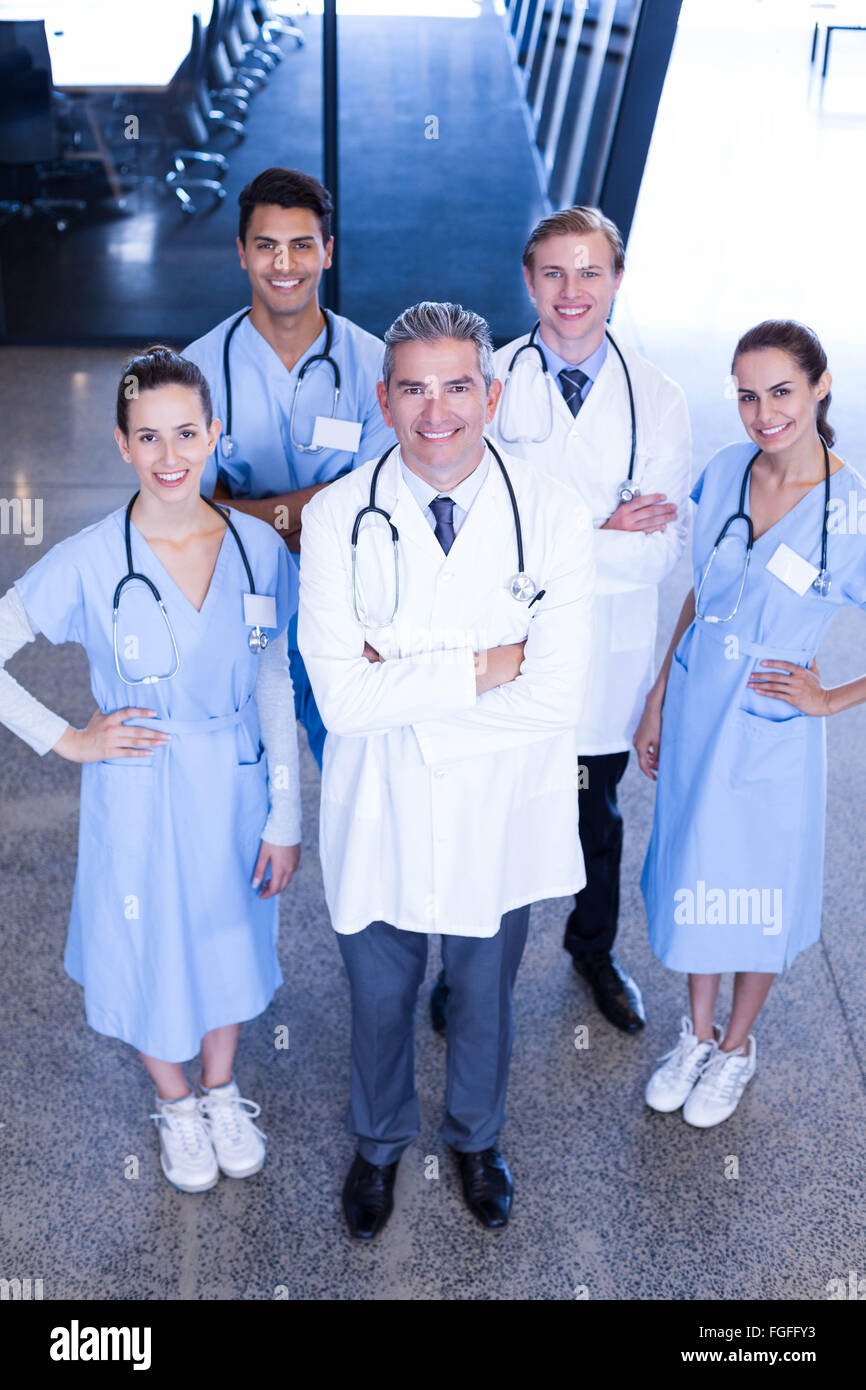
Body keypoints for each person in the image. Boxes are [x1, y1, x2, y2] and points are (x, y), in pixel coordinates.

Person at [298, 301, 595, 1238]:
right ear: (383, 400)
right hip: (376, 807)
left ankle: (476, 1136)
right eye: (415, 389)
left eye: (458, 386)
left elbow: (555, 698)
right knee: (379, 998)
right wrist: (484, 667)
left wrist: (414, 696)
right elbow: (341, 701)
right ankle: (379, 1143)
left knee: (483, 994)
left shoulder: (550, 513)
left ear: (492, 393)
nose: (438, 411)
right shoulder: (339, 516)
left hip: (500, 810)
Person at [0, 347, 301, 1190]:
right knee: (148, 942)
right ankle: (173, 1103)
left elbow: (274, 678)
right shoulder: (91, 558)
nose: (170, 457)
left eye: (187, 434)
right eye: (149, 437)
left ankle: (221, 1088)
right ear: (122, 445)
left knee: (227, 934)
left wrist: (286, 815)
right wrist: (68, 740)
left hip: (233, 781)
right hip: (136, 782)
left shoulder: (257, 550)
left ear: (215, 436)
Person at [463, 204, 690, 1036]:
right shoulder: (487, 383)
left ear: (618, 280)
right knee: (493, 810)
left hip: (605, 655)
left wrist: (552, 540)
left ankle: (592, 949)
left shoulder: (658, 399)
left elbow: (656, 553)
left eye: (590, 271)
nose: (572, 291)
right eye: (553, 272)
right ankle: (470, 966)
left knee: (595, 815)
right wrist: (602, 528)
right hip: (507, 651)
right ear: (528, 281)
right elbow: (480, 537)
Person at [635, 319, 866, 1126]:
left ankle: (735, 1046)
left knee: (754, 893)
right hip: (699, 713)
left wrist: (831, 698)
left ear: (819, 387)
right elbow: (703, 592)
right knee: (699, 875)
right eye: (747, 395)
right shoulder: (727, 470)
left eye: (781, 392)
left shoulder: (849, 512)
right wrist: (662, 692)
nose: (763, 413)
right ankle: (695, 1034)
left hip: (770, 730)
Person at [183, 166, 395, 768]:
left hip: (344, 604)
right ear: (242, 255)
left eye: (302, 245)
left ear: (327, 253)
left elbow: (373, 503)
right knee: (241, 774)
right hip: (235, 600)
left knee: (353, 770)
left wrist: (238, 509)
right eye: (267, 246)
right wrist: (320, 503)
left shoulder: (371, 362)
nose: (285, 263)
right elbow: (187, 517)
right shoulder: (199, 369)